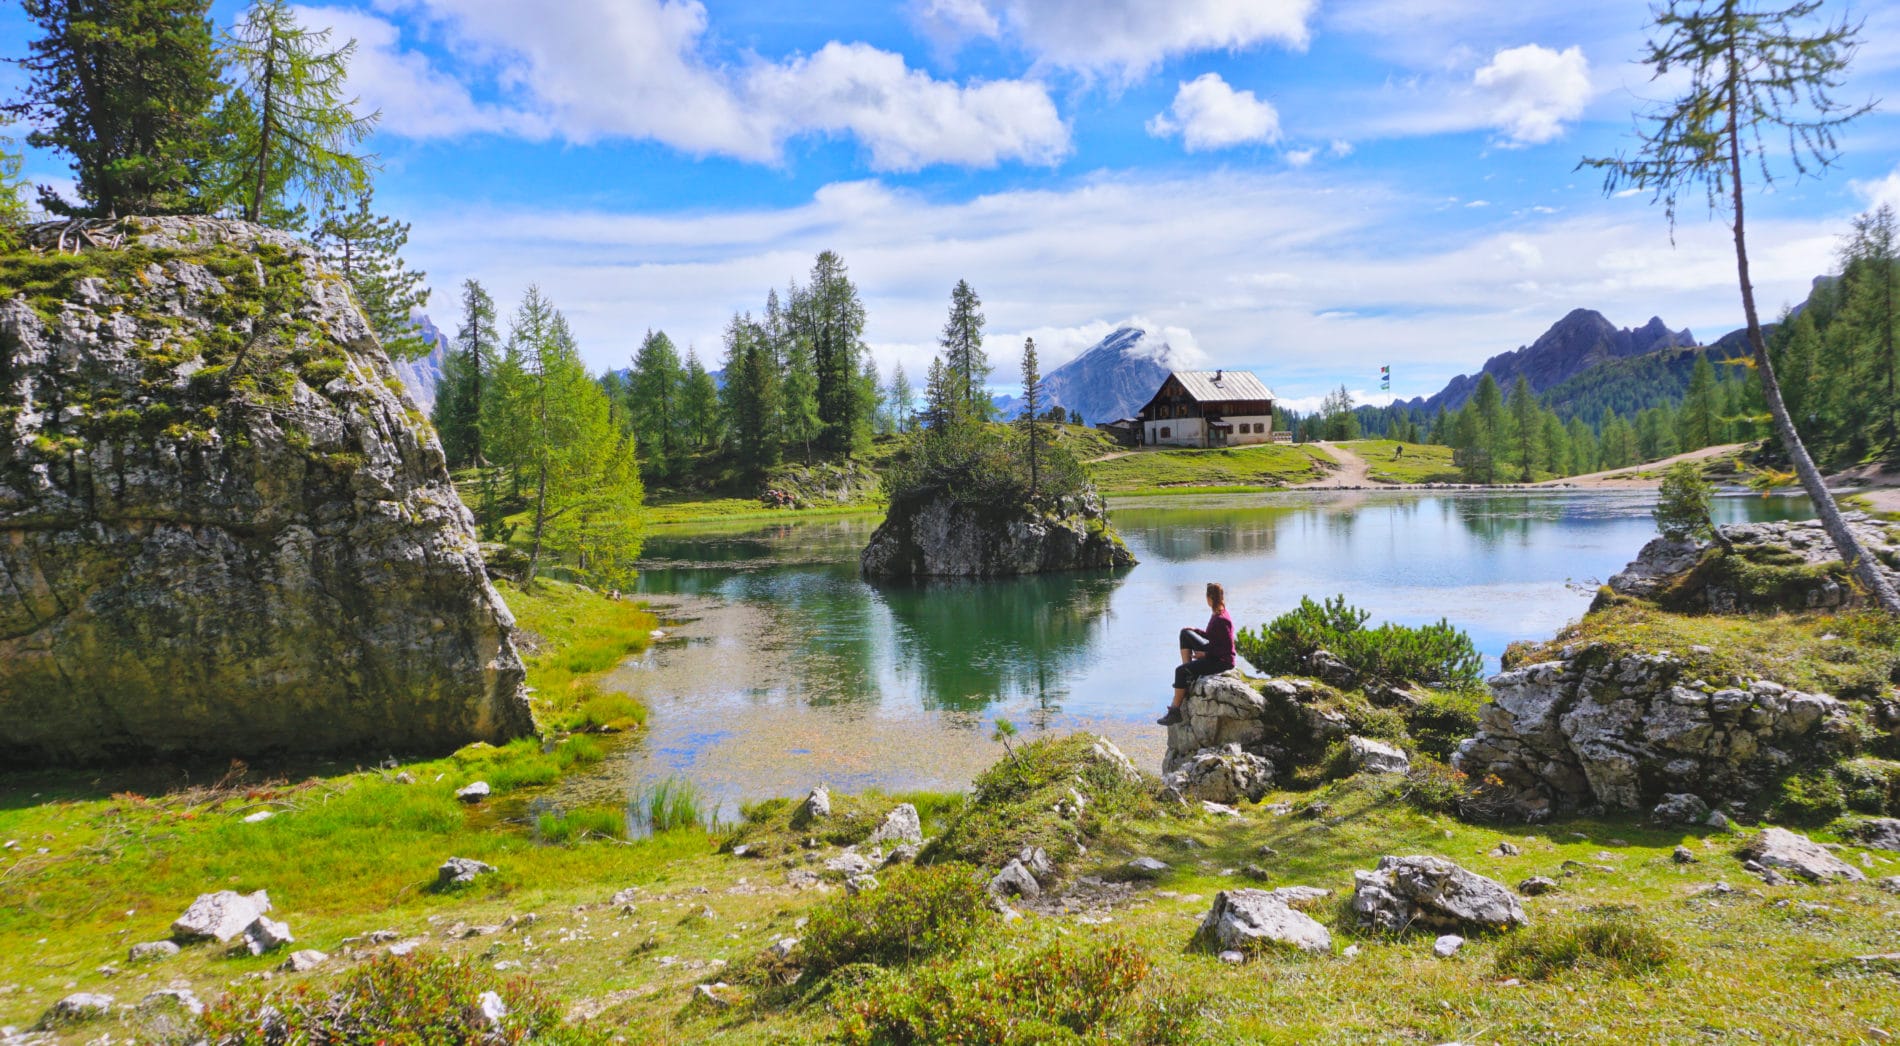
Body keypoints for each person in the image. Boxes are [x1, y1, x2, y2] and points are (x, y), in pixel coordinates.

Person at [1156, 582, 1235, 726]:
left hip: (1222, 661)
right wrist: (1195, 630)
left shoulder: (1221, 619)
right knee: (1185, 633)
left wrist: (1205, 655)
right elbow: (1213, 637)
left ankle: (1174, 712)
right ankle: (1190, 673)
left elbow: (1227, 649)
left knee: (1179, 671)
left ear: (1209, 597)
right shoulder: (1218, 612)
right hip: (1214, 653)